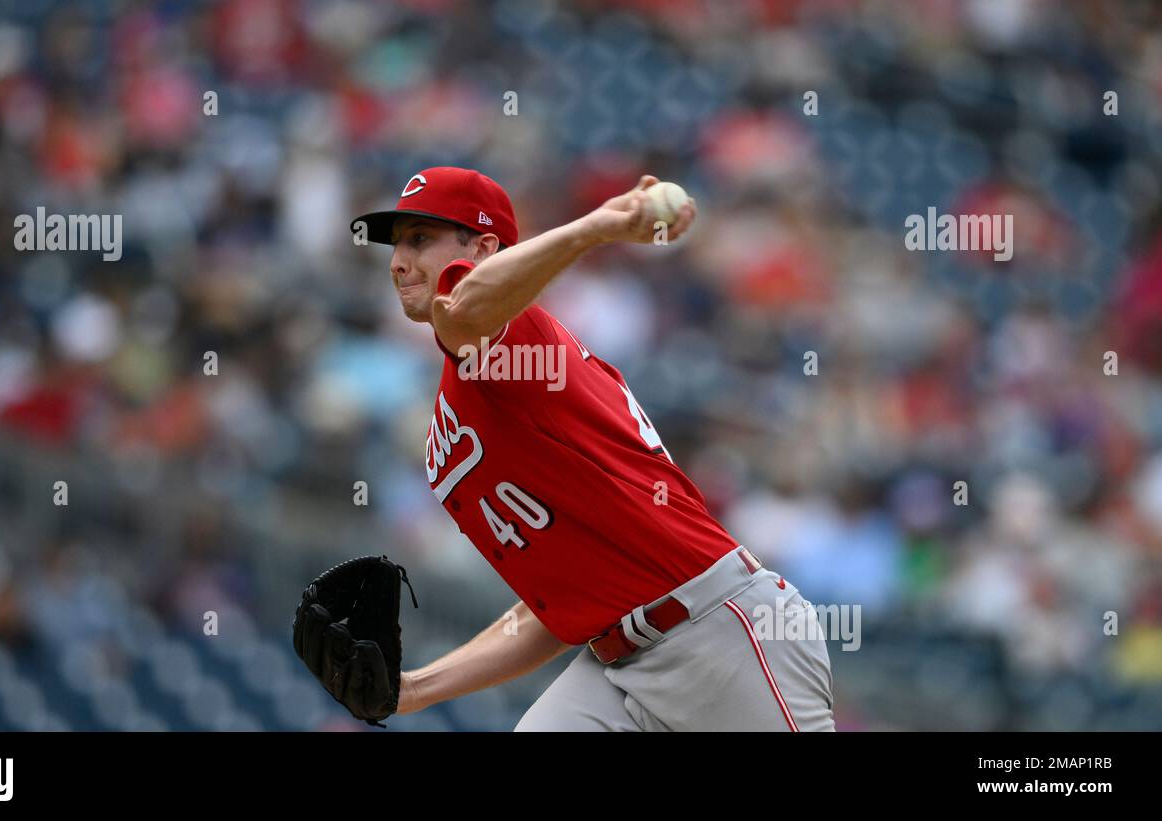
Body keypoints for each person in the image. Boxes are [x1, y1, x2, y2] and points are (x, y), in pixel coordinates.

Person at [351, 167, 835, 731]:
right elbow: (555, 608)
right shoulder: (472, 388)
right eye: (396, 244)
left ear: (484, 250)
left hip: (717, 630)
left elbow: (463, 308)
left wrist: (591, 229)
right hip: (614, 661)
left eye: (420, 239)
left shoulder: (513, 340)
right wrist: (412, 690)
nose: (397, 261)